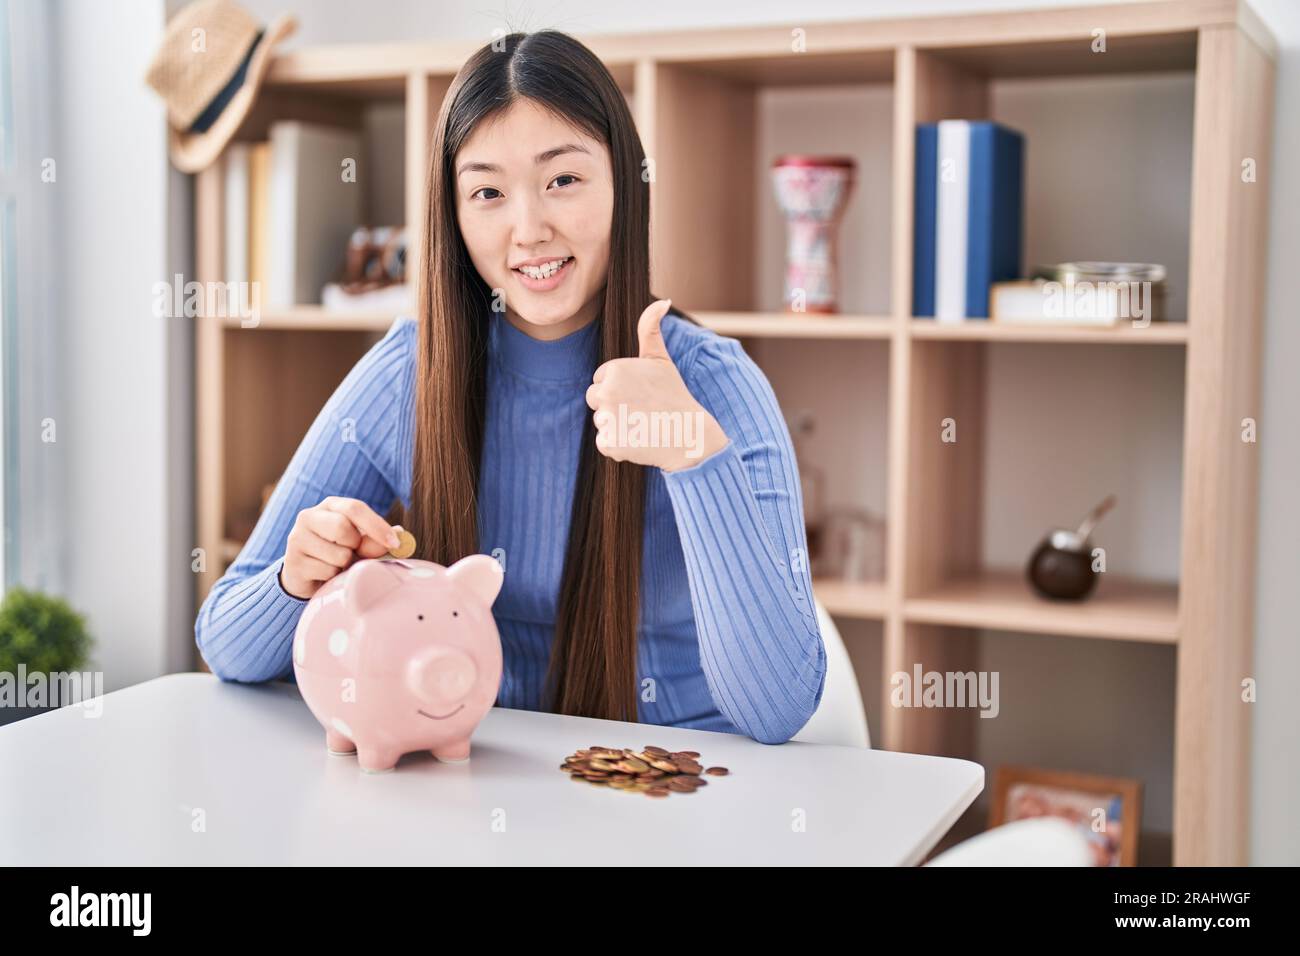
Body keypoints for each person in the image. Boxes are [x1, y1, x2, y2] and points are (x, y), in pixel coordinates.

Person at [195, 30, 826, 745]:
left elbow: (779, 712)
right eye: (488, 192)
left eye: (562, 180)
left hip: (675, 785)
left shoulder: (717, 384)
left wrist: (694, 457)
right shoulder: (410, 371)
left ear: (625, 182)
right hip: (477, 780)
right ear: (454, 215)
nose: (528, 230)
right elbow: (226, 647)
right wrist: (295, 578)